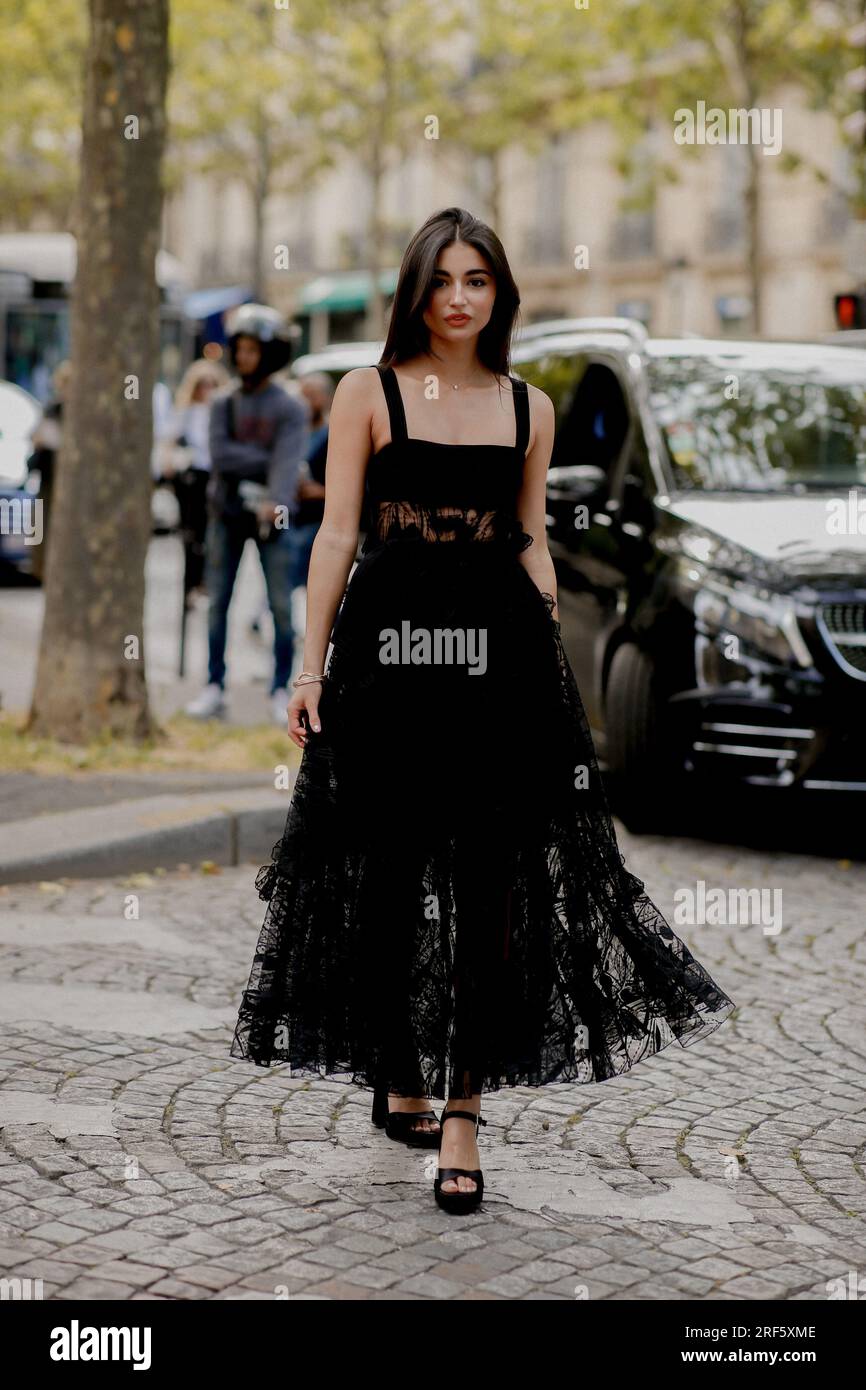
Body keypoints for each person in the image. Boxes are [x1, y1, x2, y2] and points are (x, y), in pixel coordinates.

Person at [229, 208, 736, 1214]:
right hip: (386, 664)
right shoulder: (364, 393)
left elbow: (527, 532)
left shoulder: (526, 408)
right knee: (381, 881)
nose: (459, 296)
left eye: (477, 280)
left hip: (498, 666)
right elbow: (335, 538)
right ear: (415, 288)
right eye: (442, 278)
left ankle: (462, 1112)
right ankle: (401, 1065)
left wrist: (543, 605)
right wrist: (306, 669)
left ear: (498, 292)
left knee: (495, 895)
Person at [184, 304, 308, 724]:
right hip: (225, 514)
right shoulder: (223, 403)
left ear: (269, 353)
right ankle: (214, 686)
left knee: (281, 608)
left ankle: (279, 689)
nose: (244, 358)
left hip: (272, 520)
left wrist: (275, 490)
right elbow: (221, 456)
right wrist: (269, 459)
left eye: (254, 349)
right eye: (241, 349)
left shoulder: (289, 407)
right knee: (218, 602)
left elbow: (288, 466)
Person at [158, 358, 229, 599]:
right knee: (192, 531)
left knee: (214, 532)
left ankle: (207, 581)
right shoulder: (187, 412)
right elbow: (170, 439)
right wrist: (168, 461)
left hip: (218, 475)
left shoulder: (223, 410)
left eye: (211, 385)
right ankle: (192, 583)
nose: (207, 390)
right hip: (193, 476)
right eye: (202, 385)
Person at [26, 359, 71, 584]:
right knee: (43, 528)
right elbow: (36, 440)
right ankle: (44, 570)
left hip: (70, 485)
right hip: (49, 480)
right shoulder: (51, 409)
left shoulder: (83, 415)